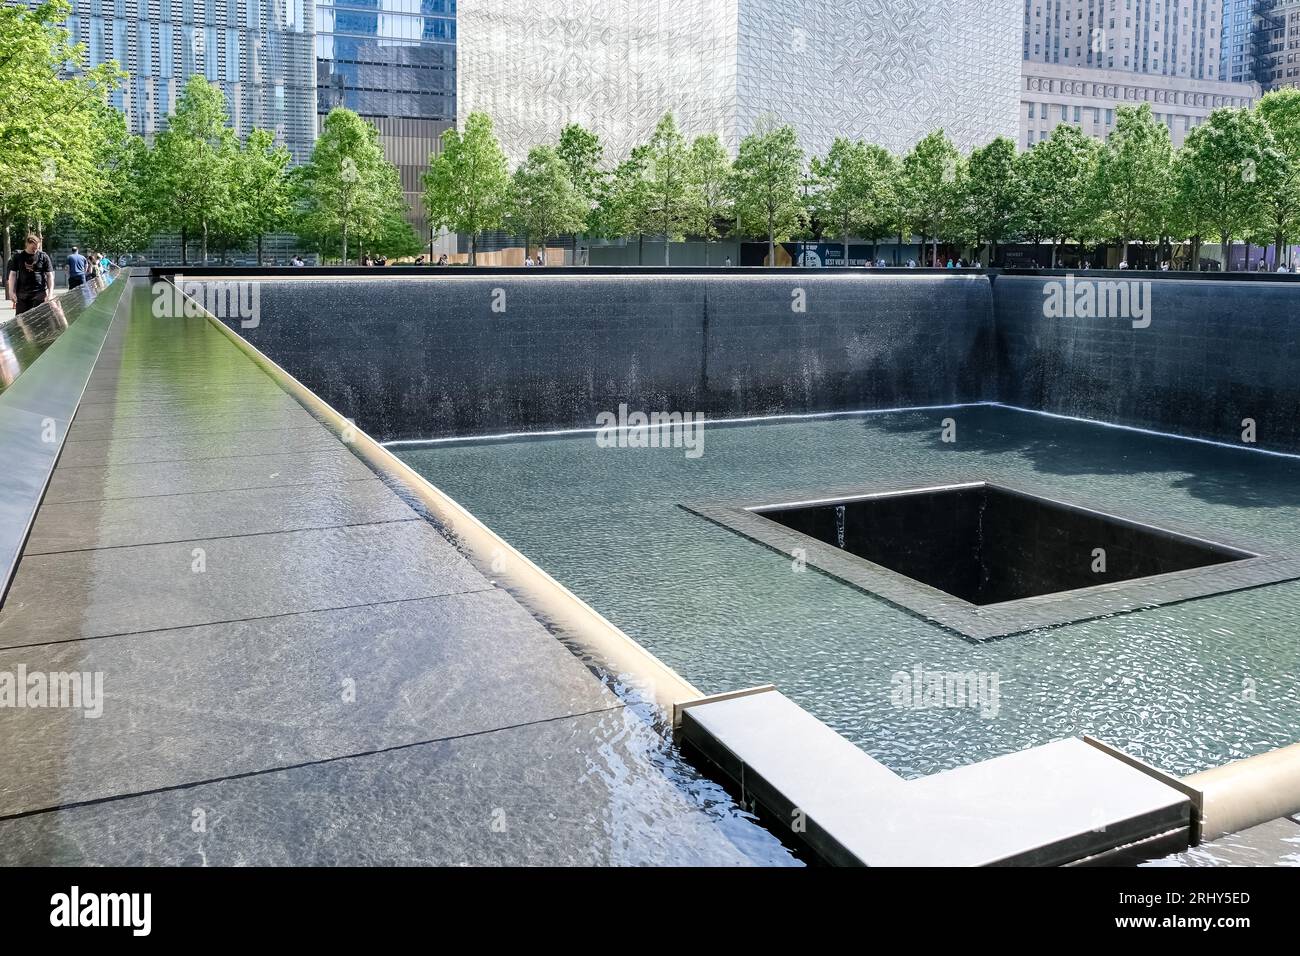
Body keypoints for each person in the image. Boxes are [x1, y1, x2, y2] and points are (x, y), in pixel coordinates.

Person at [6, 234, 55, 315]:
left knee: (39, 319)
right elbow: (12, 274)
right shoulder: (18, 256)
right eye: (33, 248)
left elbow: (50, 276)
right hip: (22, 294)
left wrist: (50, 294)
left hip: (39, 293)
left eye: (37, 248)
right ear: (27, 244)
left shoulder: (43, 256)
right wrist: (11, 292)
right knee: (21, 318)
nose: (35, 250)